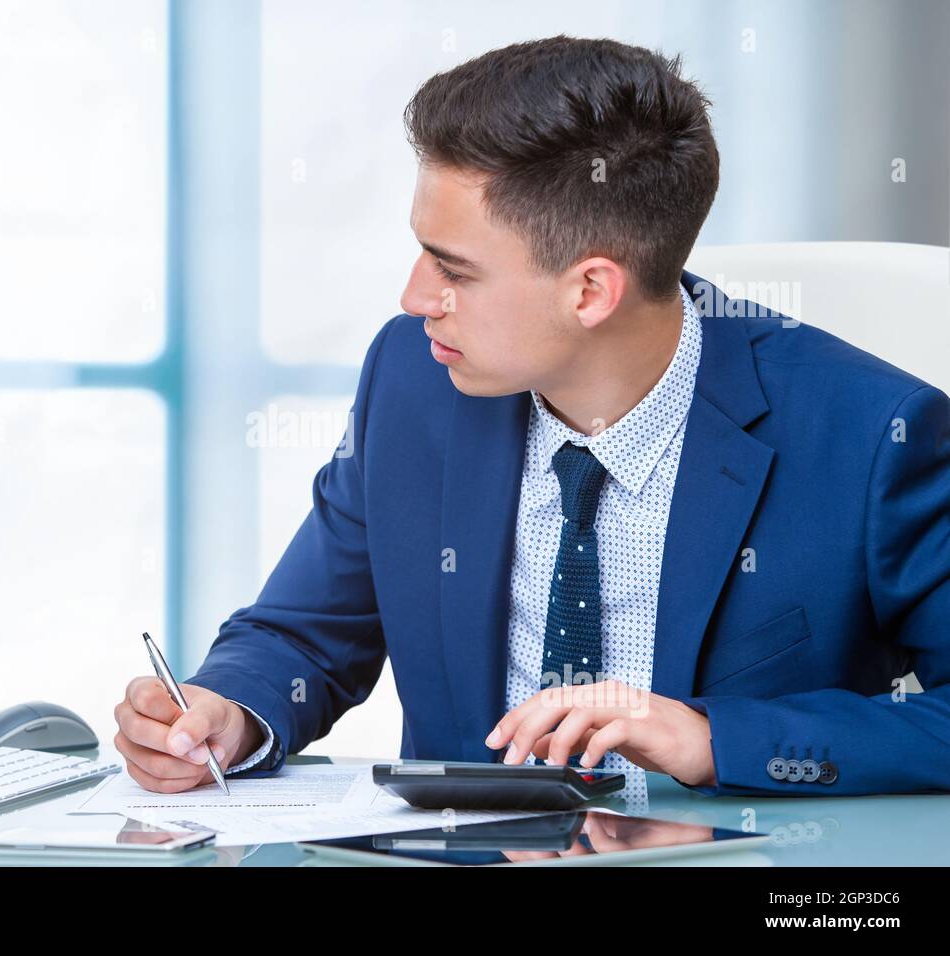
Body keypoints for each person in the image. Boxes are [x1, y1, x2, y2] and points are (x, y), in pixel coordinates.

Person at [114, 36, 950, 797]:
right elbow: (306, 635)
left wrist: (714, 740)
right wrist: (233, 711)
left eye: (455, 270)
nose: (414, 300)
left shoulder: (875, 436)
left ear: (591, 289)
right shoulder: (413, 378)